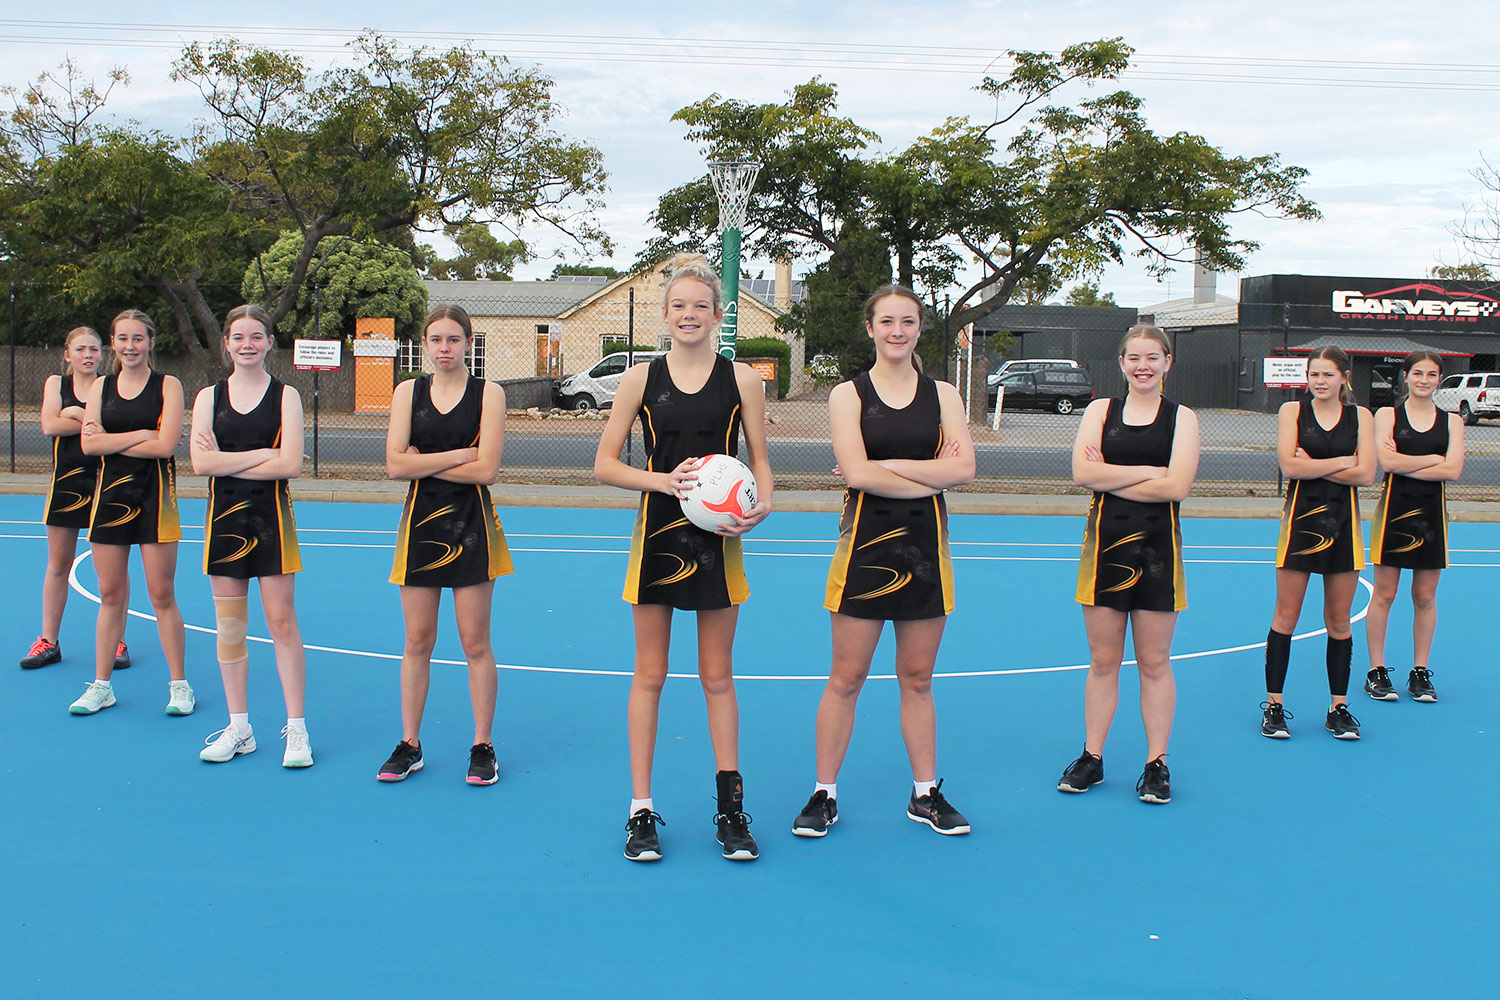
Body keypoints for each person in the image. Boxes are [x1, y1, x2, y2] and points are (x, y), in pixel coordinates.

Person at [594, 254, 773, 862]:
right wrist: (664, 482)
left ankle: (730, 811)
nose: (689, 314)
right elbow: (605, 464)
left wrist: (763, 502)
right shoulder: (641, 380)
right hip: (657, 539)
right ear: (664, 316)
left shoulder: (742, 379)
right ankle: (640, 811)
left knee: (717, 677)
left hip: (719, 543)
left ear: (720, 315)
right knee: (650, 675)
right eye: (678, 306)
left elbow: (761, 461)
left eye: (701, 305)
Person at [793, 283, 975, 839]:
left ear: (920, 329)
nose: (898, 330)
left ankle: (925, 793)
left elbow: (965, 469)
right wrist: (924, 468)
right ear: (870, 329)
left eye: (909, 321)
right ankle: (824, 792)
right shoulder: (847, 395)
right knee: (846, 677)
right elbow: (857, 473)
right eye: (887, 321)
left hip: (926, 550)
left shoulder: (943, 393)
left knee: (918, 679)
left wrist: (882, 463)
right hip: (865, 549)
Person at [1056, 325, 1200, 805]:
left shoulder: (1183, 418)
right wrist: (1149, 472)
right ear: (1121, 363)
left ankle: (1156, 763)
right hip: (1104, 551)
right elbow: (1081, 473)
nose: (1143, 366)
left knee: (1155, 663)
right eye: (1134, 357)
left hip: (1159, 553)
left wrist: (1111, 476)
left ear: (1167, 363)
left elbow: (1177, 488)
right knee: (1103, 662)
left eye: (1152, 357)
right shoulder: (1101, 411)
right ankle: (1092, 758)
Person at [378, 304, 512, 786]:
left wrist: (423, 459)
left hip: (472, 524)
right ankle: (409, 743)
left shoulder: (488, 394)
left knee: (475, 642)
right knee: (417, 640)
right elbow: (394, 466)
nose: (444, 348)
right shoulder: (407, 392)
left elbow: (487, 470)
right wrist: (458, 454)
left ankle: (483, 746)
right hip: (421, 526)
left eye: (453, 339)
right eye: (435, 340)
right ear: (424, 344)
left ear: (468, 344)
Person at [189, 305, 313, 767]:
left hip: (271, 521)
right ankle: (239, 727)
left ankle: (296, 729)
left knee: (282, 623)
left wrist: (233, 457)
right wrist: (265, 452)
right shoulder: (207, 397)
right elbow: (202, 465)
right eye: (238, 336)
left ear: (268, 342)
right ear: (226, 342)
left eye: (256, 336)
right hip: (224, 522)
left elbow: (291, 465)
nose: (247, 344)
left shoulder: (286, 396)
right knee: (230, 627)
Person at [69, 309, 194, 716]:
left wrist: (114, 439)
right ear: (113, 343)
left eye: (137, 338)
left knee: (161, 594)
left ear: (151, 343)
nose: (130, 346)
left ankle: (179, 685)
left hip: (156, 499)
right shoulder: (101, 387)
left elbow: (164, 446)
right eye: (122, 339)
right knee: (110, 594)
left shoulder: (167, 386)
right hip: (109, 501)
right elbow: (89, 446)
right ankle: (102, 685)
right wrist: (142, 433)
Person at [1261, 346, 1374, 740]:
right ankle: (1274, 707)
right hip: (1300, 526)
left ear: (1344, 377)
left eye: (1327, 374)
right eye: (1314, 375)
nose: (1319, 382)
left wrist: (1319, 466)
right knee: (1286, 617)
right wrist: (1345, 461)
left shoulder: (1361, 417)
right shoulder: (1292, 412)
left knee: (1339, 621)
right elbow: (1290, 467)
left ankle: (1338, 709)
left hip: (1345, 528)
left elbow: (1367, 474)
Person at [25, 327, 130, 673]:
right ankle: (48, 642)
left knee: (110, 573)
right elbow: (49, 426)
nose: (89, 354)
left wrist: (72, 413)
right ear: (67, 354)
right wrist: (83, 418)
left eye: (95, 349)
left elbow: (110, 432)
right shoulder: (56, 384)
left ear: (104, 354)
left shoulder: (112, 386)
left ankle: (117, 640)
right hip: (67, 483)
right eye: (81, 348)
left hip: (107, 483)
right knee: (58, 565)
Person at [1364, 351, 1464, 704]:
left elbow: (1453, 471)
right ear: (1405, 377)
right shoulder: (1388, 415)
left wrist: (1408, 463)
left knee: (1424, 597)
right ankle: (1376, 670)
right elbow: (1386, 462)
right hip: (1393, 512)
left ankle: (1420, 671)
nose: (1424, 379)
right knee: (1385, 594)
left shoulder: (1451, 422)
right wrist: (1433, 459)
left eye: (1431, 374)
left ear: (1439, 379)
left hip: (1431, 517)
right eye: (1417, 373)